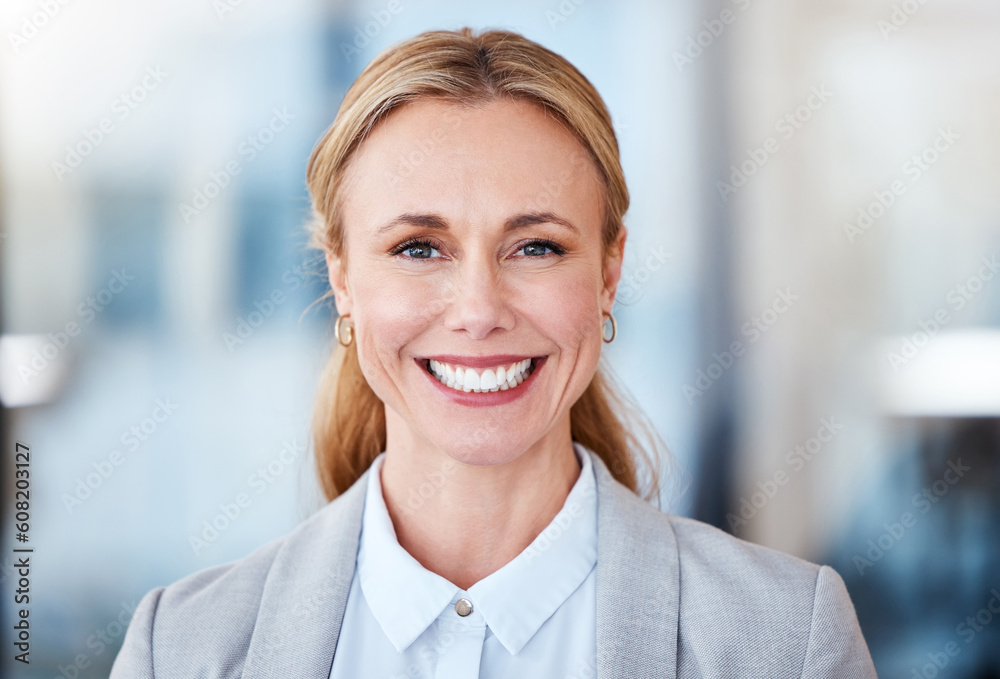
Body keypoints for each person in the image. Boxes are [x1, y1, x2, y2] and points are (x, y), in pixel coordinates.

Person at [110, 27, 877, 678]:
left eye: (536, 246)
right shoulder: (179, 647)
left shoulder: (786, 638)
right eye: (418, 248)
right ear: (342, 278)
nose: (478, 311)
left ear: (609, 273)